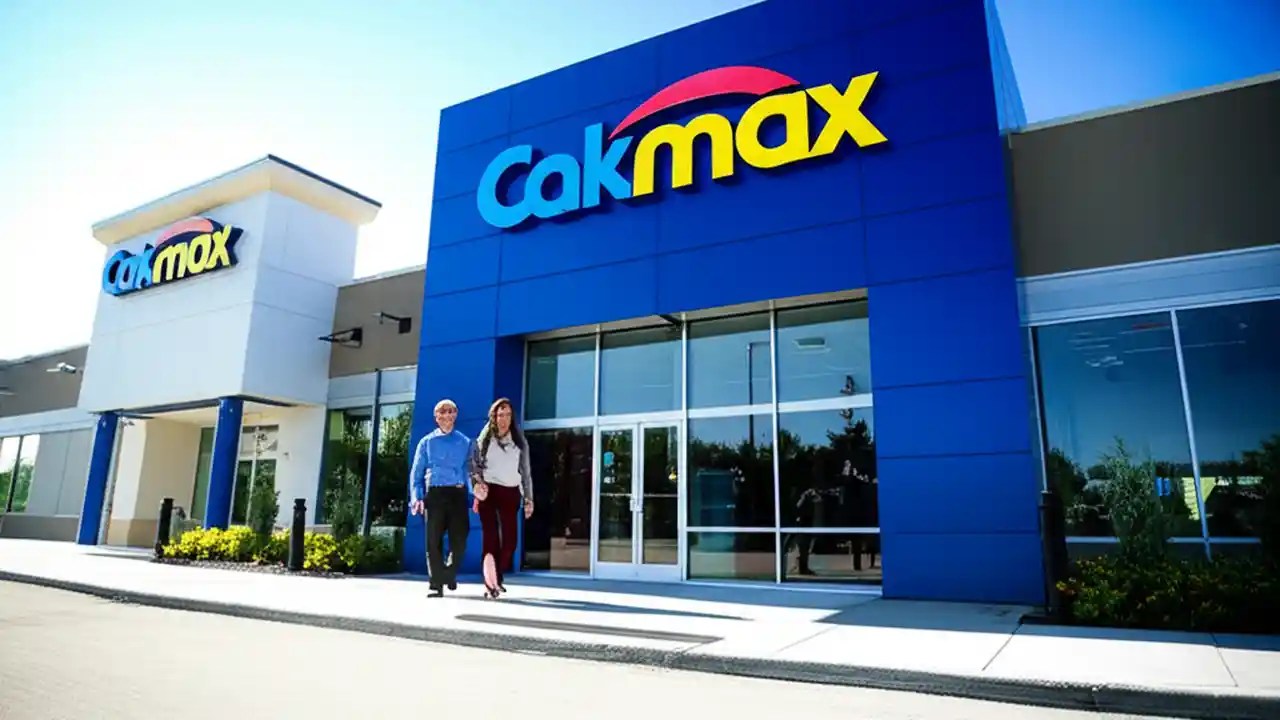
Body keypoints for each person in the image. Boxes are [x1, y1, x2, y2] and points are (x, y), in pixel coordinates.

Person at [409, 398, 473, 598]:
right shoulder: (426, 442)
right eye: (442, 412)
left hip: (457, 493)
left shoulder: (464, 442)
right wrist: (416, 497)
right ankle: (436, 584)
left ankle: (449, 573)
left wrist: (474, 495)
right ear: (436, 417)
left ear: (456, 415)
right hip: (435, 494)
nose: (447, 416)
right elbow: (417, 473)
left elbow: (469, 470)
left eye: (451, 412)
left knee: (459, 540)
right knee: (433, 541)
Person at [470, 397, 533, 598]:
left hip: (511, 491)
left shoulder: (519, 441)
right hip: (489, 491)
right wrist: (477, 488)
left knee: (510, 542)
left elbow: (525, 472)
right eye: (500, 415)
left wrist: (529, 498)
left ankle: (496, 577)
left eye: (507, 415)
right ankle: (490, 584)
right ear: (494, 417)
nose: (503, 419)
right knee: (490, 538)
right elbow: (474, 467)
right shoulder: (485, 438)